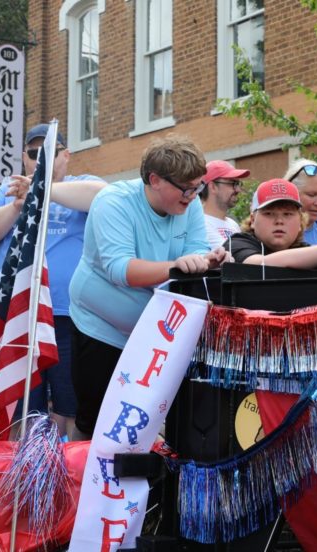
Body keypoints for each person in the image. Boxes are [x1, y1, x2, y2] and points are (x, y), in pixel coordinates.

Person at [69, 135, 228, 440]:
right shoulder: (113, 202)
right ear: (155, 180)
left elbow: (194, 252)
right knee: (95, 421)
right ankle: (79, 481)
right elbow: (120, 269)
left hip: (155, 332)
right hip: (100, 328)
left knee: (149, 419)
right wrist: (176, 267)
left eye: (198, 188)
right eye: (186, 188)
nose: (193, 196)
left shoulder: (189, 204)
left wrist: (209, 260)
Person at [0, 123, 106, 436]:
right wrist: (20, 205)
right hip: (19, 313)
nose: (40, 158)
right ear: (24, 157)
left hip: (68, 315)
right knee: (19, 404)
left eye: (49, 152)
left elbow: (102, 195)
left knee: (71, 405)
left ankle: (66, 476)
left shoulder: (80, 183)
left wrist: (42, 189)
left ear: (66, 155)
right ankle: (23, 475)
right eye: (34, 153)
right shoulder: (9, 189)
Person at [200, 160, 250, 249]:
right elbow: (235, 256)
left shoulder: (232, 224)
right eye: (232, 183)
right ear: (213, 187)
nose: (238, 189)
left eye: (238, 184)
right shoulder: (200, 223)